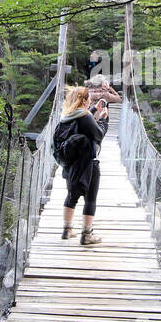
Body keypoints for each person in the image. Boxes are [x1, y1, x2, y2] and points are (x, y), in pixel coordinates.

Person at [58, 85, 108, 245]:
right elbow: (98, 134)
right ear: (84, 100)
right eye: (89, 100)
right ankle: (87, 234)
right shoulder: (85, 116)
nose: (90, 102)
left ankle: (67, 230)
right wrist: (105, 120)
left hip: (71, 164)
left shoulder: (66, 115)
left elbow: (81, 123)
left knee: (71, 196)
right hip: (88, 163)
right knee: (90, 199)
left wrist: (94, 109)